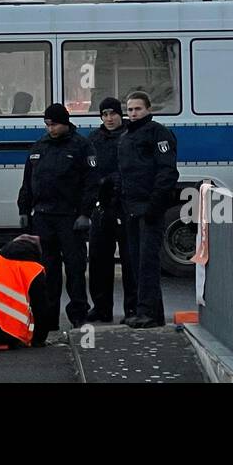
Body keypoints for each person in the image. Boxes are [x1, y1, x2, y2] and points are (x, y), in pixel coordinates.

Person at [16, 103, 98, 334]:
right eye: (47, 124)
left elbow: (91, 183)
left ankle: (79, 314)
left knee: (75, 268)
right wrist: (24, 210)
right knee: (47, 270)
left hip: (70, 217)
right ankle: (48, 318)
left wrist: (85, 213)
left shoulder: (81, 146)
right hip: (43, 217)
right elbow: (28, 182)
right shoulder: (40, 146)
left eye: (54, 124)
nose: (50, 128)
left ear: (65, 122)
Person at [117, 90, 179, 329]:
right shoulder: (126, 137)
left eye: (137, 109)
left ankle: (150, 314)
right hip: (131, 207)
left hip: (148, 208)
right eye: (130, 109)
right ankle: (147, 311)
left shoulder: (158, 133)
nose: (133, 113)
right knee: (136, 262)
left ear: (148, 110)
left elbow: (167, 172)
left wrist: (156, 204)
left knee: (148, 263)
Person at [86, 97, 135, 323]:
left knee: (129, 260)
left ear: (120, 114)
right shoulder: (94, 138)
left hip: (124, 206)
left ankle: (132, 309)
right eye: (104, 115)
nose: (109, 118)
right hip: (101, 207)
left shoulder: (129, 136)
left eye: (112, 114)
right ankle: (101, 307)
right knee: (98, 260)